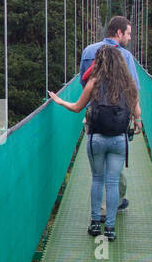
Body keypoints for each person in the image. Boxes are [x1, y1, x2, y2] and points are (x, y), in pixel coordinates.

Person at [48, 45, 142, 242]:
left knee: (97, 179)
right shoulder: (129, 84)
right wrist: (137, 122)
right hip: (119, 139)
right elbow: (137, 112)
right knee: (113, 182)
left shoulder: (94, 83)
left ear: (99, 62)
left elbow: (76, 108)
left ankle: (94, 224)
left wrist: (58, 101)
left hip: (96, 138)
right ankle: (109, 228)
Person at [77, 16, 139, 213]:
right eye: (128, 33)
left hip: (94, 116)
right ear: (119, 33)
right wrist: (137, 118)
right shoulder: (126, 57)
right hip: (118, 118)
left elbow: (83, 82)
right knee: (114, 165)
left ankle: (98, 215)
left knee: (97, 169)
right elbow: (133, 91)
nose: (129, 38)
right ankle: (113, 205)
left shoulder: (88, 51)